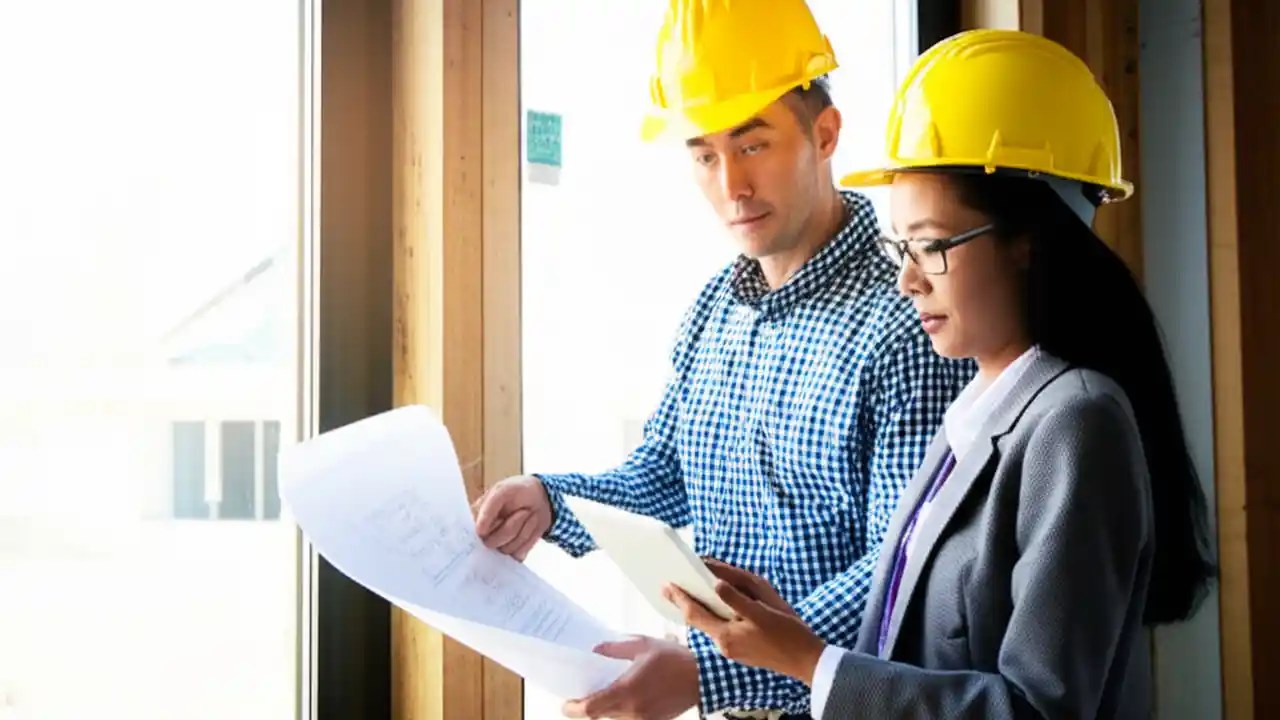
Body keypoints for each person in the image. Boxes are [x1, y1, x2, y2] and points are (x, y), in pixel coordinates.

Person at [666, 28, 1217, 719]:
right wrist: (791, 638)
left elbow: (1036, 710)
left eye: (930, 247)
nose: (908, 280)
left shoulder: (1075, 422)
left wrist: (810, 662)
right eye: (901, 247)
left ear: (1027, 240)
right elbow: (915, 647)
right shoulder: (978, 409)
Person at [471, 1, 971, 718]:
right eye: (704, 155)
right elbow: (665, 472)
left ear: (825, 134)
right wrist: (550, 500)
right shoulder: (715, 309)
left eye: (753, 145)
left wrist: (707, 668)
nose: (731, 186)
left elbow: (901, 573)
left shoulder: (909, 318)